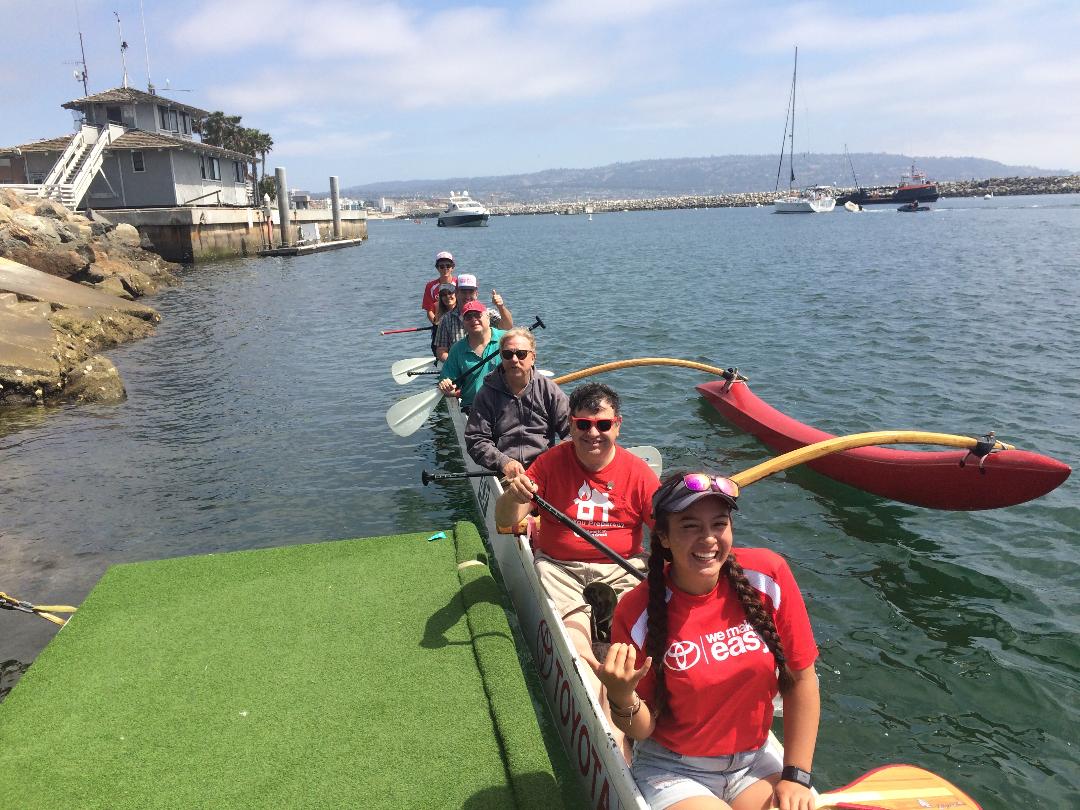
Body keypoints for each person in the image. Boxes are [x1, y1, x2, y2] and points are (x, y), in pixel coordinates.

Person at [593, 471, 820, 810]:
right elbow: (642, 729)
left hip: (754, 763)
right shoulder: (637, 611)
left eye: (719, 524)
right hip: (674, 770)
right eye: (690, 526)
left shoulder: (768, 577)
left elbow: (802, 679)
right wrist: (621, 694)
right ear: (664, 537)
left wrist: (797, 775)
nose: (709, 539)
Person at [464, 328, 570, 479]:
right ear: (502, 357)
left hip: (545, 470)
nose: (514, 359)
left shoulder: (549, 390)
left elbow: (573, 429)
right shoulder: (486, 393)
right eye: (508, 354)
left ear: (533, 357)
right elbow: (476, 439)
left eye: (521, 354)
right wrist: (503, 462)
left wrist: (560, 453)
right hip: (505, 473)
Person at [437, 301, 506, 411]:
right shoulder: (457, 349)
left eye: (478, 315)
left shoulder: (506, 339)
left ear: (488, 318)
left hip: (506, 404)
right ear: (463, 323)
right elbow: (448, 382)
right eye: (468, 317)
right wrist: (447, 387)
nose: (473, 319)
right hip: (474, 408)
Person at [433, 273, 513, 363]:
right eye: (463, 292)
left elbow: (507, 327)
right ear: (456, 293)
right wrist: (455, 364)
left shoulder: (487, 313)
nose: (467, 296)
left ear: (476, 293)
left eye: (470, 292)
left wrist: (501, 307)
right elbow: (441, 351)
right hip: (461, 368)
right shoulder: (446, 319)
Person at [422, 252, 457, 325]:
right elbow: (429, 311)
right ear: (437, 268)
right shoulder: (430, 286)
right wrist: (437, 325)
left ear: (452, 267)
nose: (445, 268)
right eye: (441, 266)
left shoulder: (459, 283)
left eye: (448, 266)